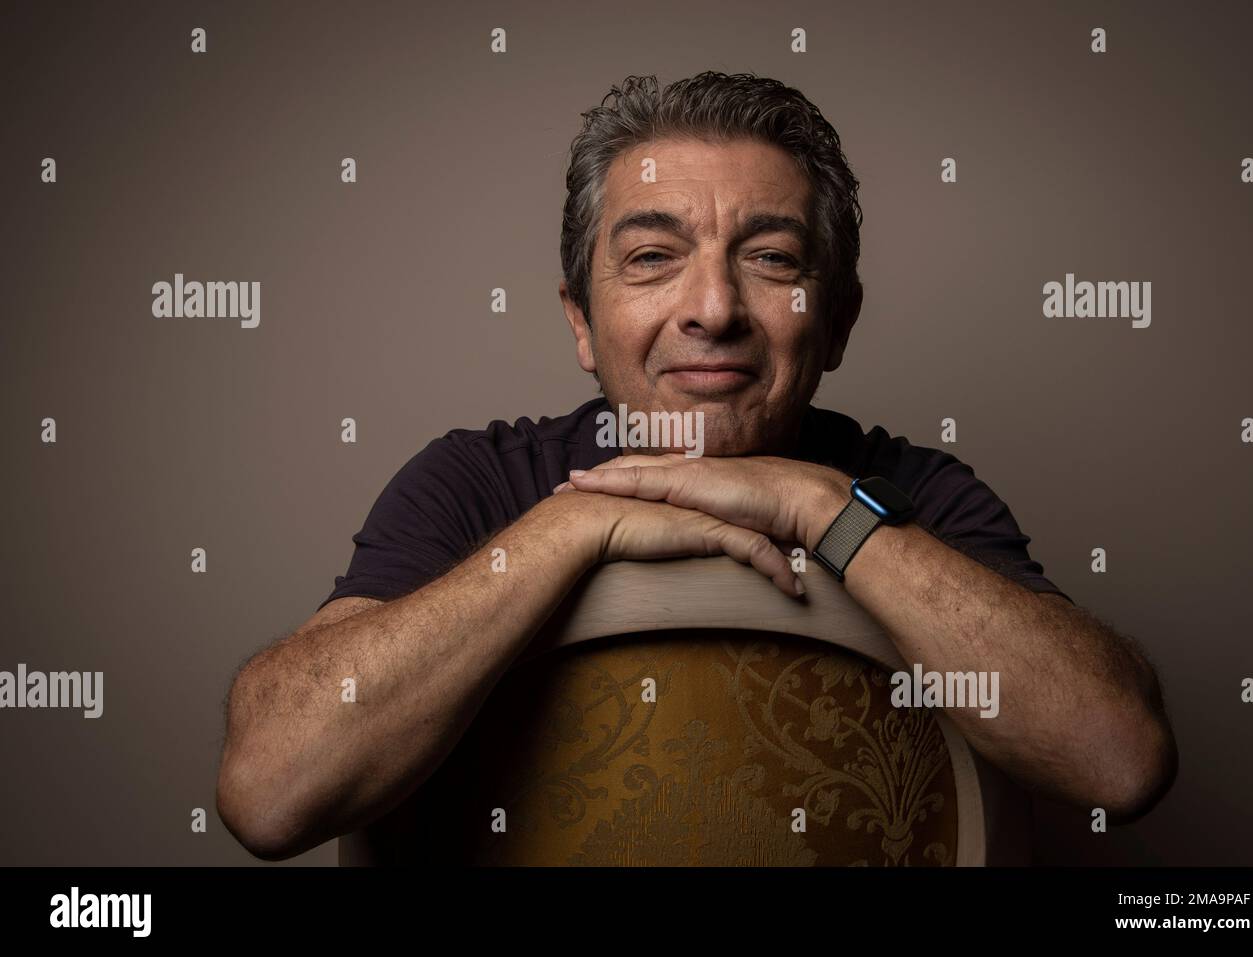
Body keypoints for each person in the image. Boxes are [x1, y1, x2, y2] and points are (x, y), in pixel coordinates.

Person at [215, 71, 1177, 861]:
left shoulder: (914, 493)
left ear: (835, 321)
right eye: (651, 258)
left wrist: (822, 505)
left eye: (768, 257)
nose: (712, 307)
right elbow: (270, 791)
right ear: (581, 323)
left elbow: (1120, 759)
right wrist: (578, 521)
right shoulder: (474, 482)